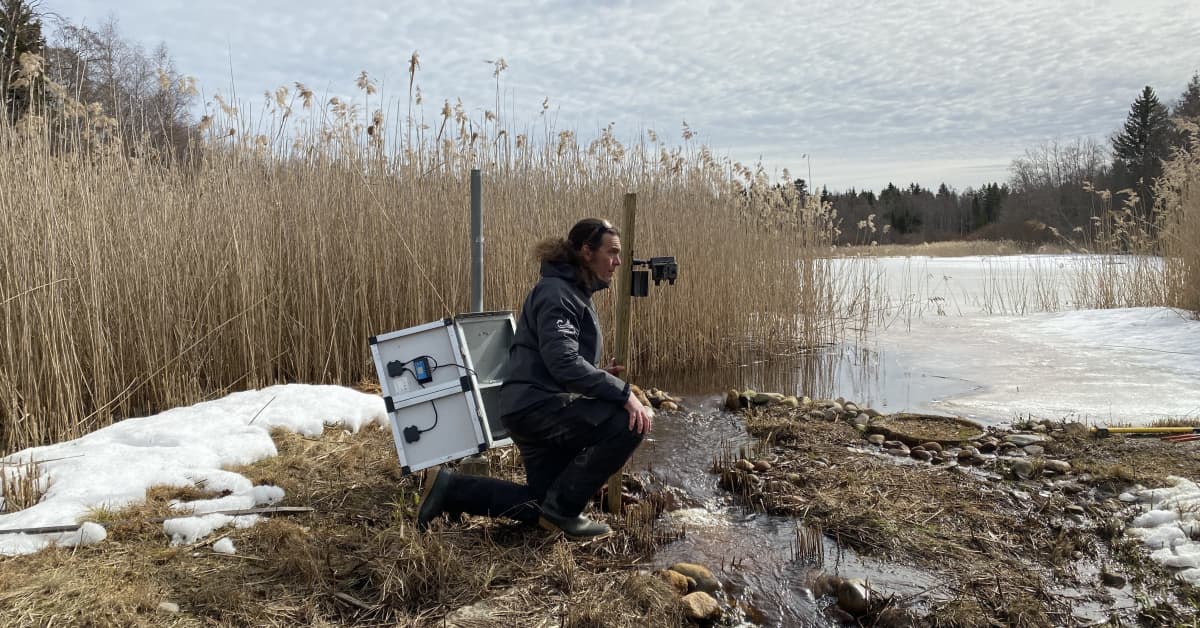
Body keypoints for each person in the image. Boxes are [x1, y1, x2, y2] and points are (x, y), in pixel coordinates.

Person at [415, 217, 654, 540]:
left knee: (542, 504)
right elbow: (563, 363)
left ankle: (450, 489)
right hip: (537, 408)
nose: (618, 262)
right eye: (611, 252)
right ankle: (565, 511)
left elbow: (557, 361)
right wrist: (623, 393)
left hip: (529, 406)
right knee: (630, 422)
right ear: (586, 251)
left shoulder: (568, 289)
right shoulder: (558, 292)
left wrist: (598, 374)